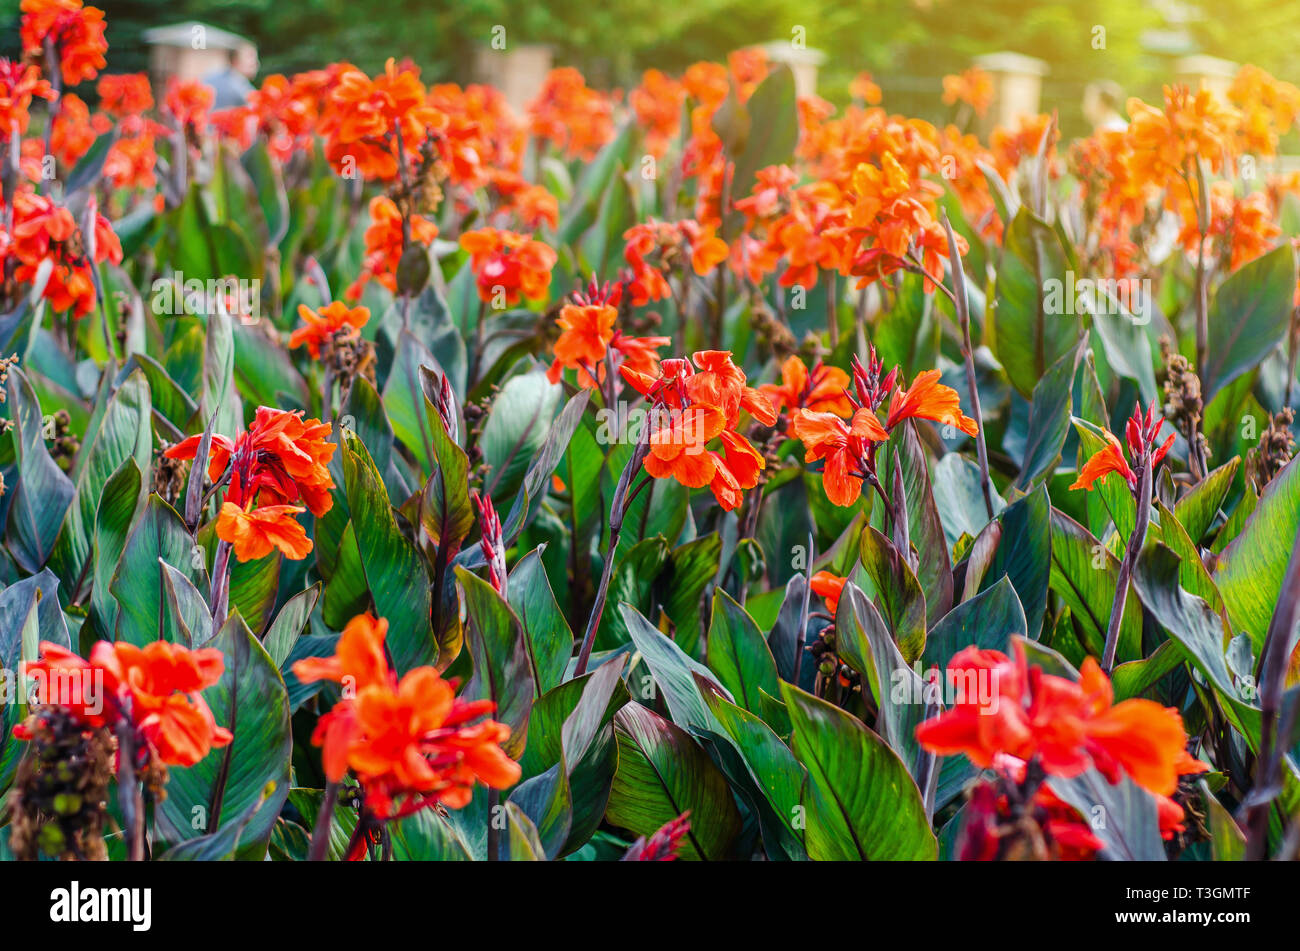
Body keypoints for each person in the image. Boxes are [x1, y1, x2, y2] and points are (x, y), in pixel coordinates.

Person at [204, 42, 258, 109]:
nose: (256, 62)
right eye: (250, 56)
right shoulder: (239, 88)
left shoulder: (212, 77)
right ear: (235, 61)